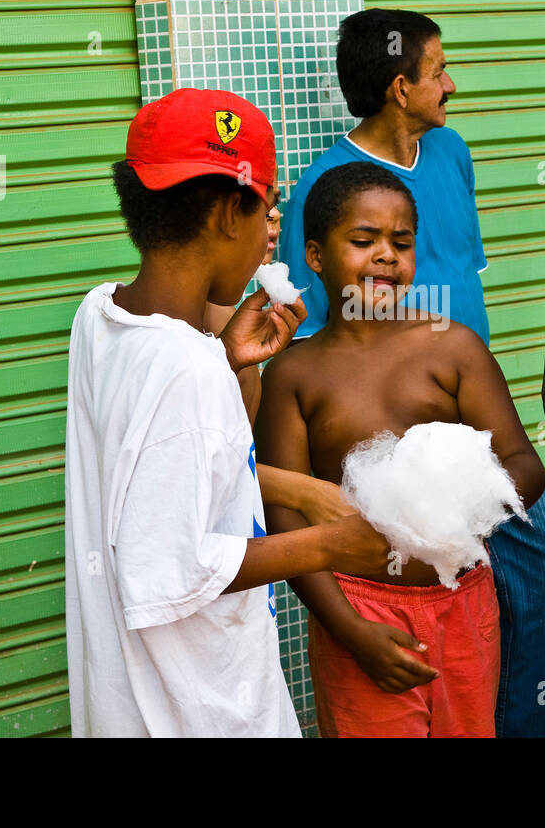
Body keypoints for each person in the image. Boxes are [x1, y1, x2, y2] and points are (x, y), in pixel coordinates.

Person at [281, 8, 545, 737]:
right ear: (398, 84)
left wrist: (467, 462)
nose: (452, 84)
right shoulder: (327, 185)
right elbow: (318, 335)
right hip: (389, 438)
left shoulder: (450, 154)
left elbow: (464, 281)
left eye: (399, 241)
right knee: (410, 601)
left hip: (469, 425)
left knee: (543, 575)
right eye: (439, 70)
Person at [63, 89, 391, 737]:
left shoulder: (100, 315)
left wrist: (227, 359)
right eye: (266, 208)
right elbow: (167, 570)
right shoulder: (187, 368)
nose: (272, 233)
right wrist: (329, 543)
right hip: (196, 712)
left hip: (132, 703)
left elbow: (150, 462)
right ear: (225, 213)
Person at [257, 161, 545, 737]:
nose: (386, 256)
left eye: (402, 242)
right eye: (364, 241)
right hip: (357, 607)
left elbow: (524, 464)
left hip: (462, 598)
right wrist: (349, 630)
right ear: (315, 256)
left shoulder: (453, 349)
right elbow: (282, 513)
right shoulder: (295, 372)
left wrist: (455, 511)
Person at [204, 196, 282, 420]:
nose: (274, 214)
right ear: (228, 214)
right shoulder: (210, 322)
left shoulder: (227, 318)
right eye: (266, 199)